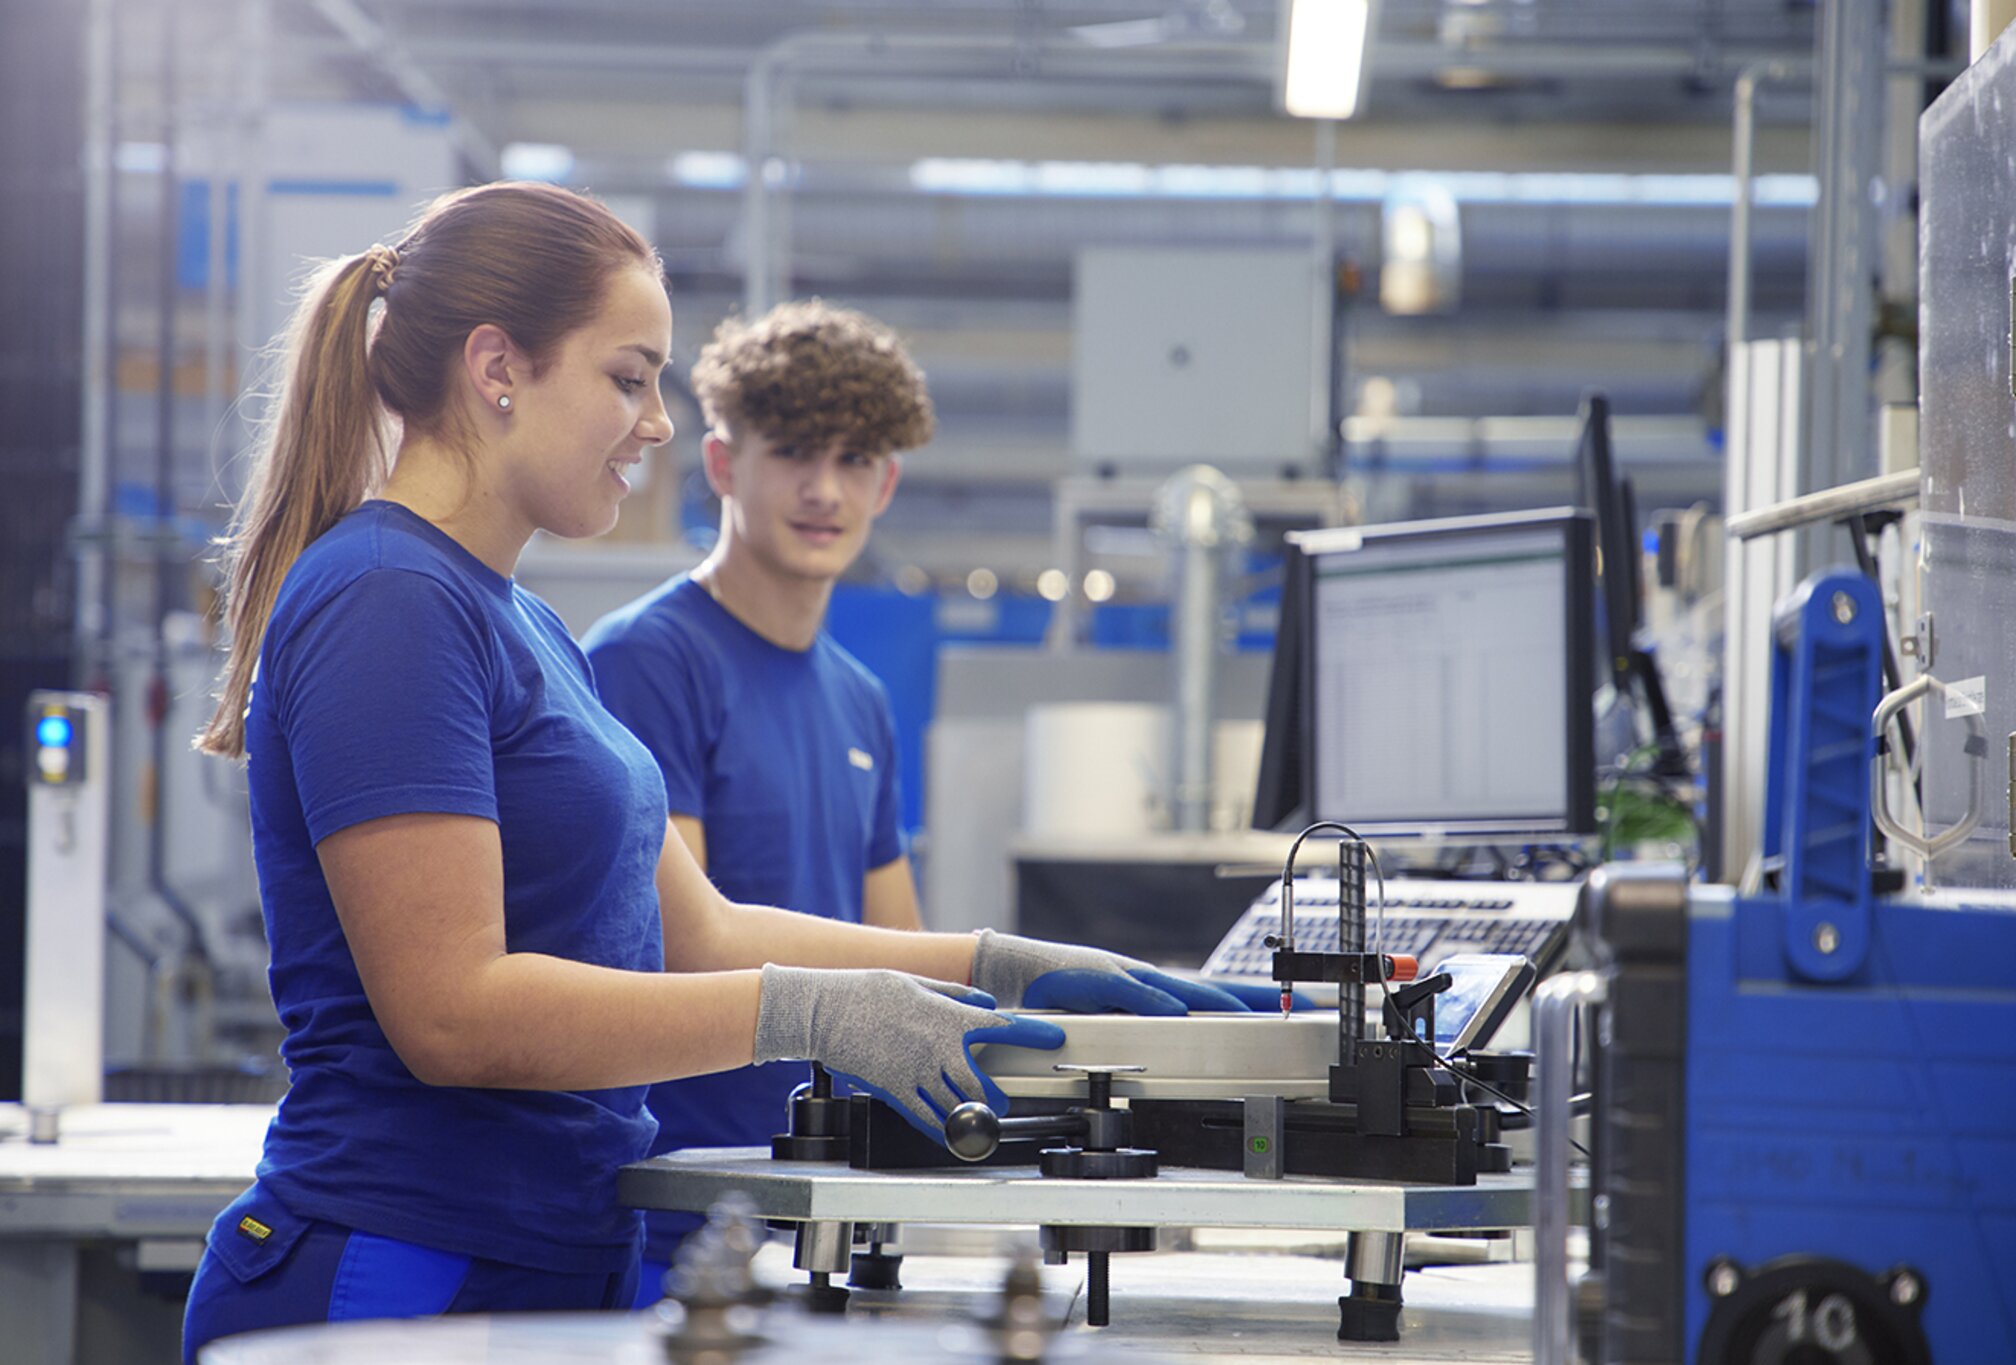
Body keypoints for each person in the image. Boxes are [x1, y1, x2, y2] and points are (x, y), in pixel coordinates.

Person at [183, 181, 1268, 1362]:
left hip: (551, 1251)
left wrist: (1002, 967)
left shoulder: (522, 624)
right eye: (628, 375)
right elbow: (452, 1012)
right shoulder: (389, 600)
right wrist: (807, 1013)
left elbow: (697, 932)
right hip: (404, 1265)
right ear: (498, 366)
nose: (653, 424)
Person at [580, 300, 933, 1304]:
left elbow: (895, 947)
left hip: (824, 1213)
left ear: (887, 482)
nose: (824, 491)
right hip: (679, 1217)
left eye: (855, 459)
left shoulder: (860, 699)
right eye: (793, 455)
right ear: (725, 464)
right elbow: (689, 944)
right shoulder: (647, 662)